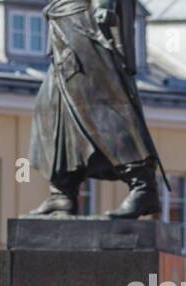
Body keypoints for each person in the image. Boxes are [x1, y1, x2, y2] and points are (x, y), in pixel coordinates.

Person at [28, 0, 165, 218]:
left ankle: (143, 186)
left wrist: (105, 5)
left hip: (86, 21)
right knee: (51, 107)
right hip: (63, 22)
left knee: (102, 104)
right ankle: (62, 192)